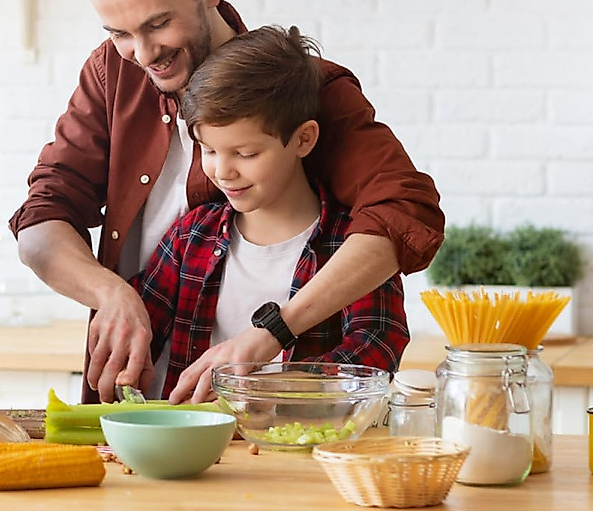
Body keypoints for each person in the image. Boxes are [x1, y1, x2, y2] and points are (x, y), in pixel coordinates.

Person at [10, 0, 443, 402]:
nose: (143, 54)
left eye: (157, 24)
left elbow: (404, 211)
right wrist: (111, 294)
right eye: (119, 32)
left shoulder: (302, 89)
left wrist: (273, 336)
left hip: (281, 422)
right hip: (149, 408)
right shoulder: (112, 72)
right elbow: (41, 221)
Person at [131, 25, 410, 400]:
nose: (223, 172)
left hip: (303, 452)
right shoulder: (190, 236)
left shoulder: (351, 247)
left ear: (303, 139)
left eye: (246, 154)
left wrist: (264, 390)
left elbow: (376, 349)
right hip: (192, 452)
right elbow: (140, 331)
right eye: (209, 150)